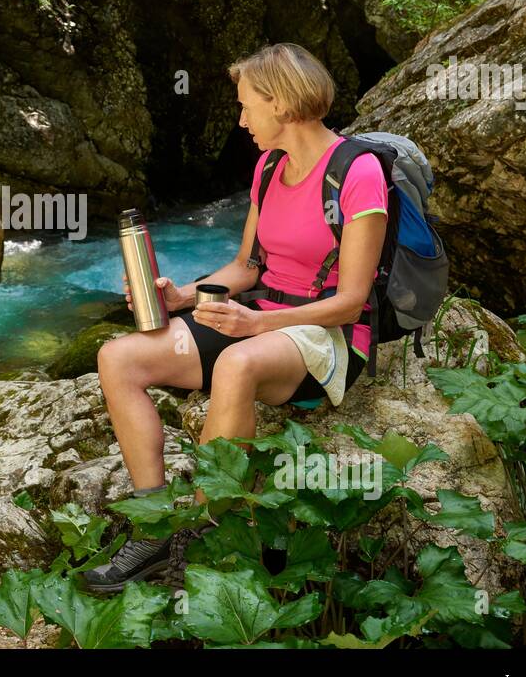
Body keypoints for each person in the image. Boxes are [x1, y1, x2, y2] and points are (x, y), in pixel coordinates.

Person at [86, 43, 388, 592]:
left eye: (247, 105)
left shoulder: (358, 172)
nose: (242, 119)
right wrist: (183, 296)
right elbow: (248, 267)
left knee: (236, 364)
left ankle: (202, 535)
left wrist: (256, 326)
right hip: (262, 317)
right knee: (118, 357)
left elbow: (351, 300)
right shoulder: (269, 167)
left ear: (281, 103)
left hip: (327, 334)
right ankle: (154, 529)